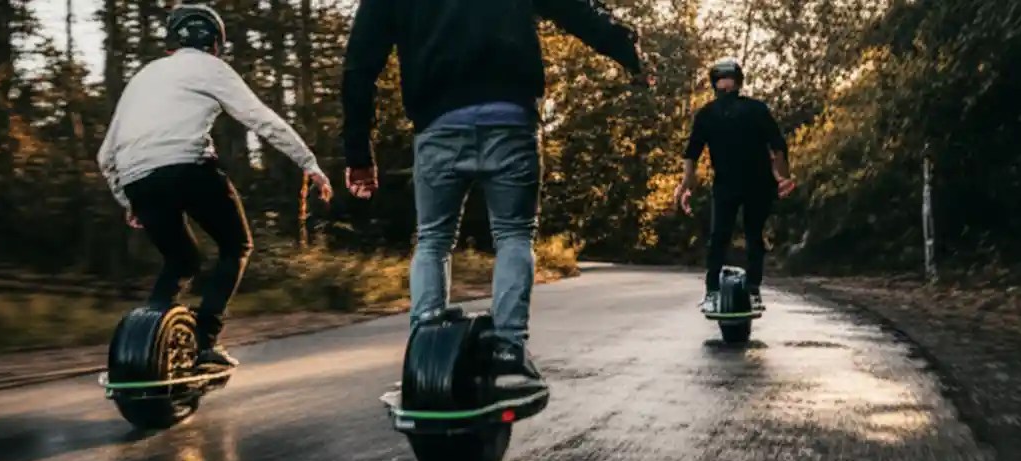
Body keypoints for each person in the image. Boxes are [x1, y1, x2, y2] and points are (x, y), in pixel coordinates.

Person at [341, 0, 649, 390]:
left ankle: (426, 350)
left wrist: (358, 154)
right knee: (514, 235)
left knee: (433, 239)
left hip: (438, 126)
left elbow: (360, 64)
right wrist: (630, 53)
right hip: (511, 119)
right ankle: (508, 350)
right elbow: (576, 10)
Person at [97, 3, 332, 368]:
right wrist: (308, 163)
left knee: (181, 260)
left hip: (137, 179)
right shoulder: (211, 67)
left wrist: (129, 201)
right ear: (215, 43)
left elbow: (105, 155)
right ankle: (204, 340)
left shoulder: (143, 75)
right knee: (236, 245)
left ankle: (146, 348)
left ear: (171, 42)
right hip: (187, 167)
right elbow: (261, 119)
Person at [674, 58, 795, 314]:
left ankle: (730, 291)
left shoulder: (715, 112)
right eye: (724, 79)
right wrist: (782, 177)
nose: (726, 84)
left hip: (745, 183)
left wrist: (782, 177)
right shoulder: (749, 109)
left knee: (730, 237)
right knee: (740, 236)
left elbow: (692, 154)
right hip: (743, 183)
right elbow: (778, 146)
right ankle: (737, 291)